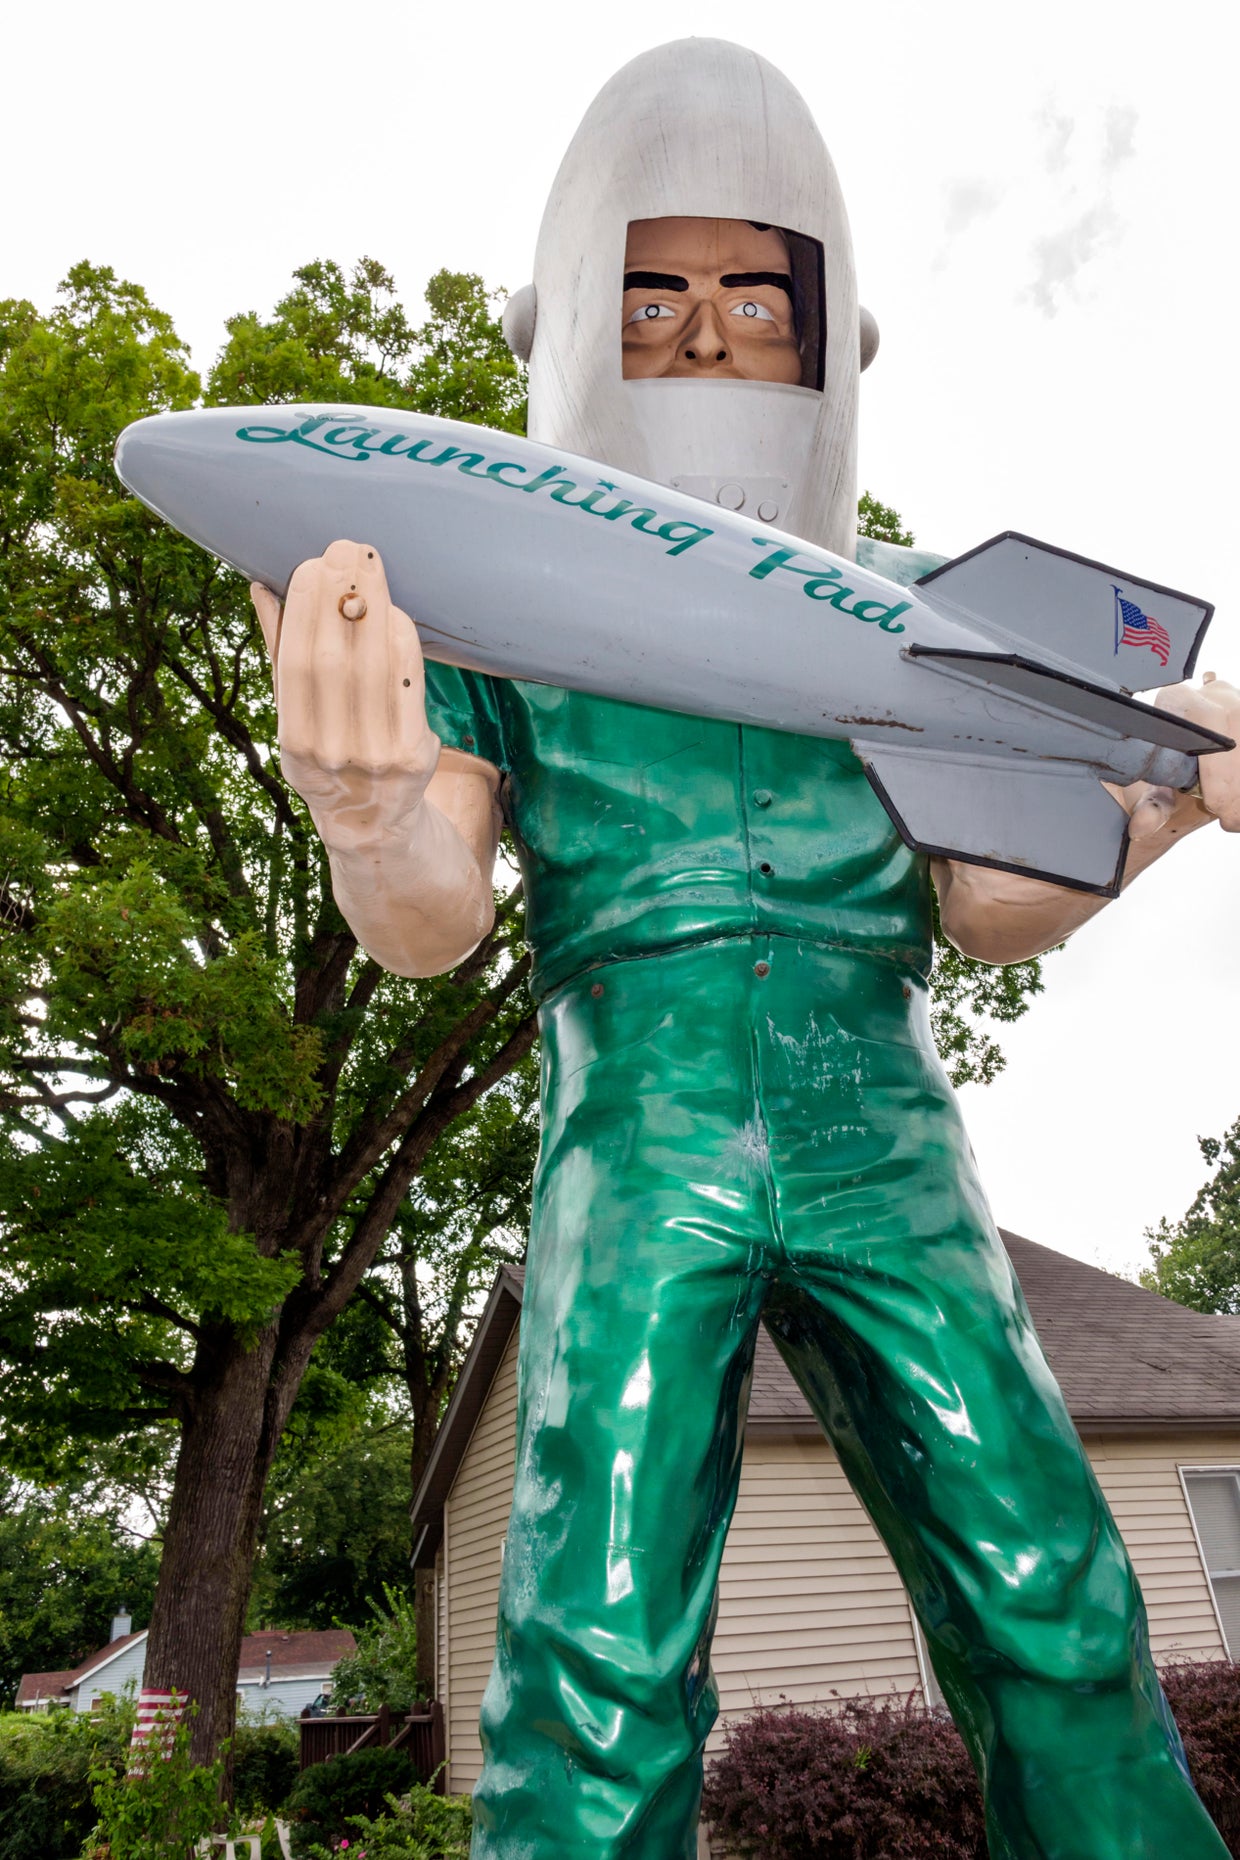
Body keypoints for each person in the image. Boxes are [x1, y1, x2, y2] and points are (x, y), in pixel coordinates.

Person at [251, 40, 1238, 1860]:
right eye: (654, 291)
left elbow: (985, 909)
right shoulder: (489, 616)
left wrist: (1154, 817)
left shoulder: (925, 611)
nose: (705, 333)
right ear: (568, 315)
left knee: (1052, 1598)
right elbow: (432, 924)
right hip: (639, 1131)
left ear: (832, 330)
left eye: (751, 293)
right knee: (593, 1640)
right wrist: (365, 805)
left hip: (894, 1132)